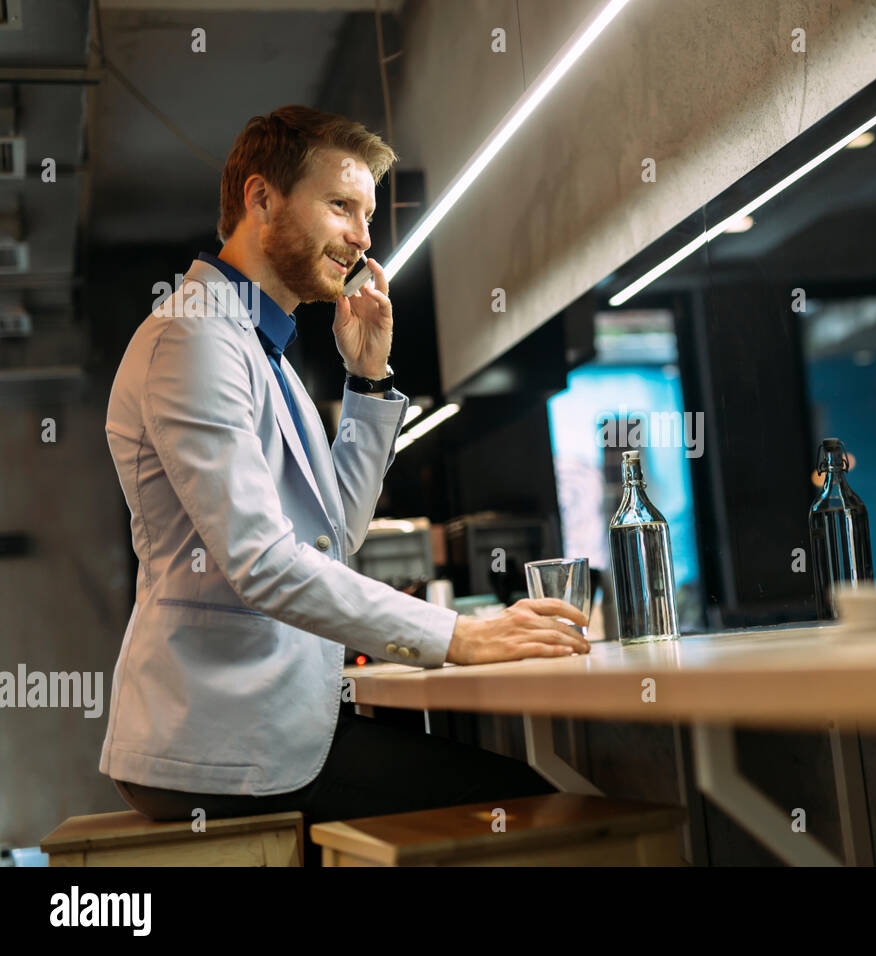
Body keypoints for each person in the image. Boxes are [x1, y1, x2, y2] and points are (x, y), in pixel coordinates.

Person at [101, 105, 589, 862]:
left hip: (263, 721)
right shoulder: (193, 339)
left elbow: (335, 533)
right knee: (525, 805)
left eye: (367, 212)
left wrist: (367, 379)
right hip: (220, 737)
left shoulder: (262, 348)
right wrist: (459, 635)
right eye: (341, 206)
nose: (364, 235)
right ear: (261, 200)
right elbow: (265, 563)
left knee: (506, 794)